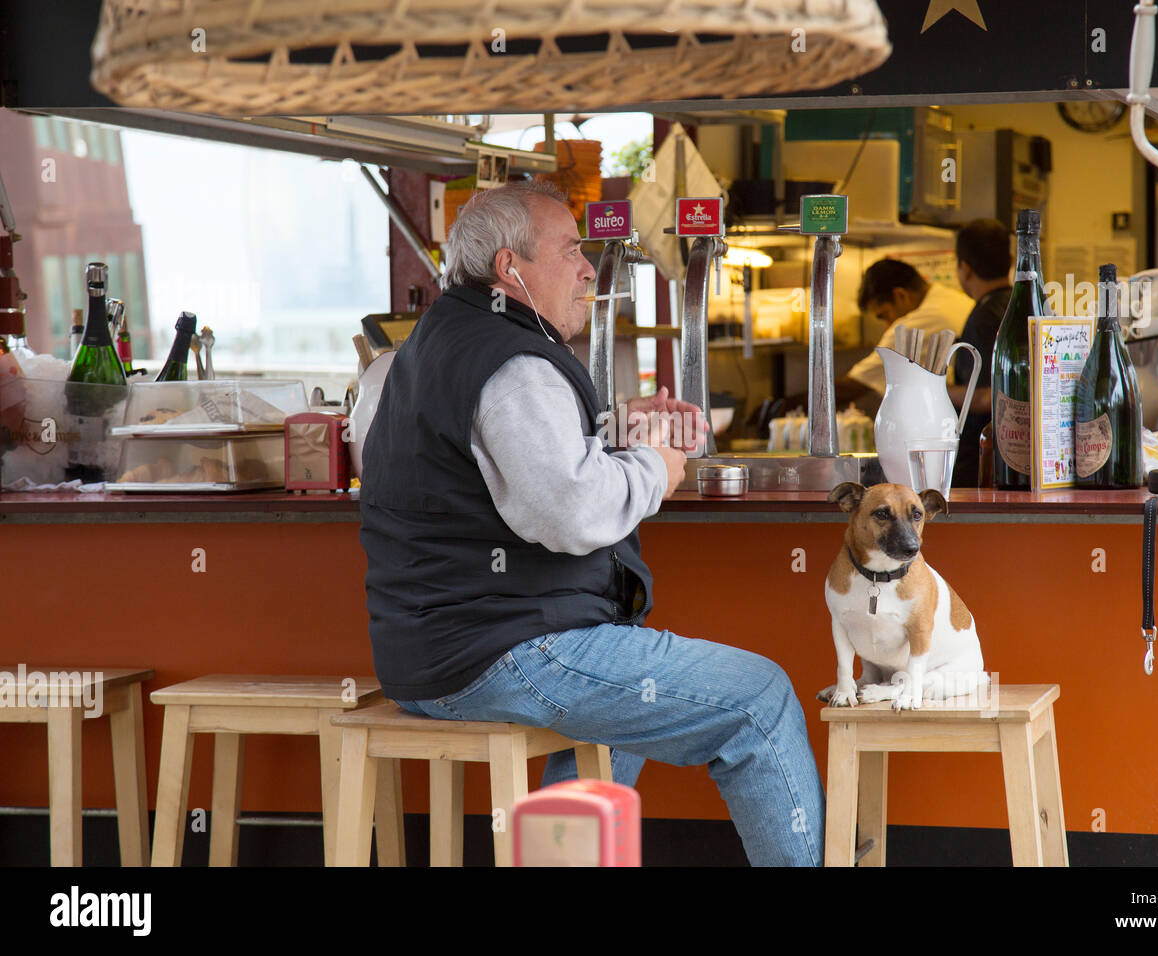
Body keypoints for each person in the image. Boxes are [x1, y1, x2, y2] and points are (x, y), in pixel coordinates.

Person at [358, 180, 825, 866]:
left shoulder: (414, 354)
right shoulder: (515, 363)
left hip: (425, 660)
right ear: (510, 269)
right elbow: (572, 513)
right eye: (571, 251)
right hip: (505, 654)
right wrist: (657, 466)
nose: (587, 268)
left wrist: (606, 428)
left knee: (624, 712)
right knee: (760, 699)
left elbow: (473, 470)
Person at [837, 258, 972, 416]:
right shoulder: (952, 298)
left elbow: (853, 386)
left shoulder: (917, 322)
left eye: (884, 315)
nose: (888, 325)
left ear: (901, 295)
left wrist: (803, 402)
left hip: (964, 418)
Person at [947, 219, 1013, 488]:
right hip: (1011, 456)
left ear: (964, 268)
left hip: (983, 461)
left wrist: (936, 390)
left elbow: (989, 396)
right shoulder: (1022, 303)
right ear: (1010, 260)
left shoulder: (984, 316)